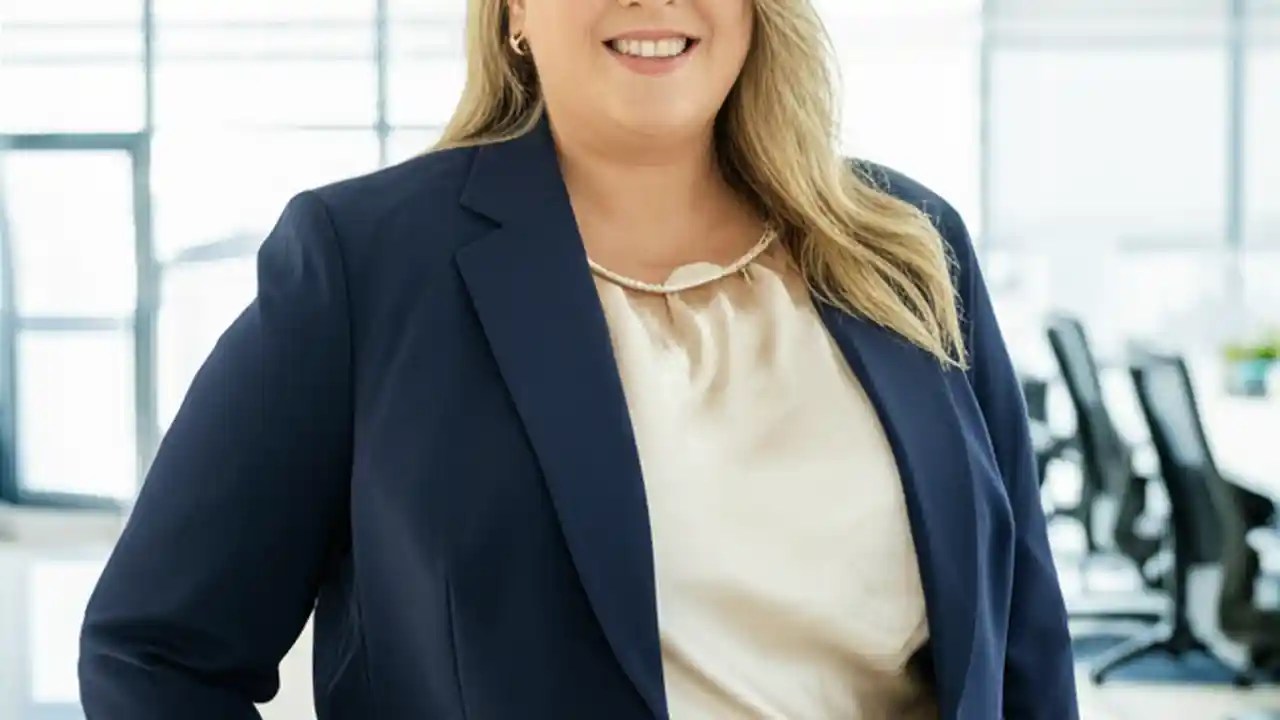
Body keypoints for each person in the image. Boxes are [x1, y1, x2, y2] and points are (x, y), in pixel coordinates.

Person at [79, 0, 1078, 718]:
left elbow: (1024, 639)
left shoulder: (902, 242)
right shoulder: (369, 262)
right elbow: (155, 650)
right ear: (510, 12)